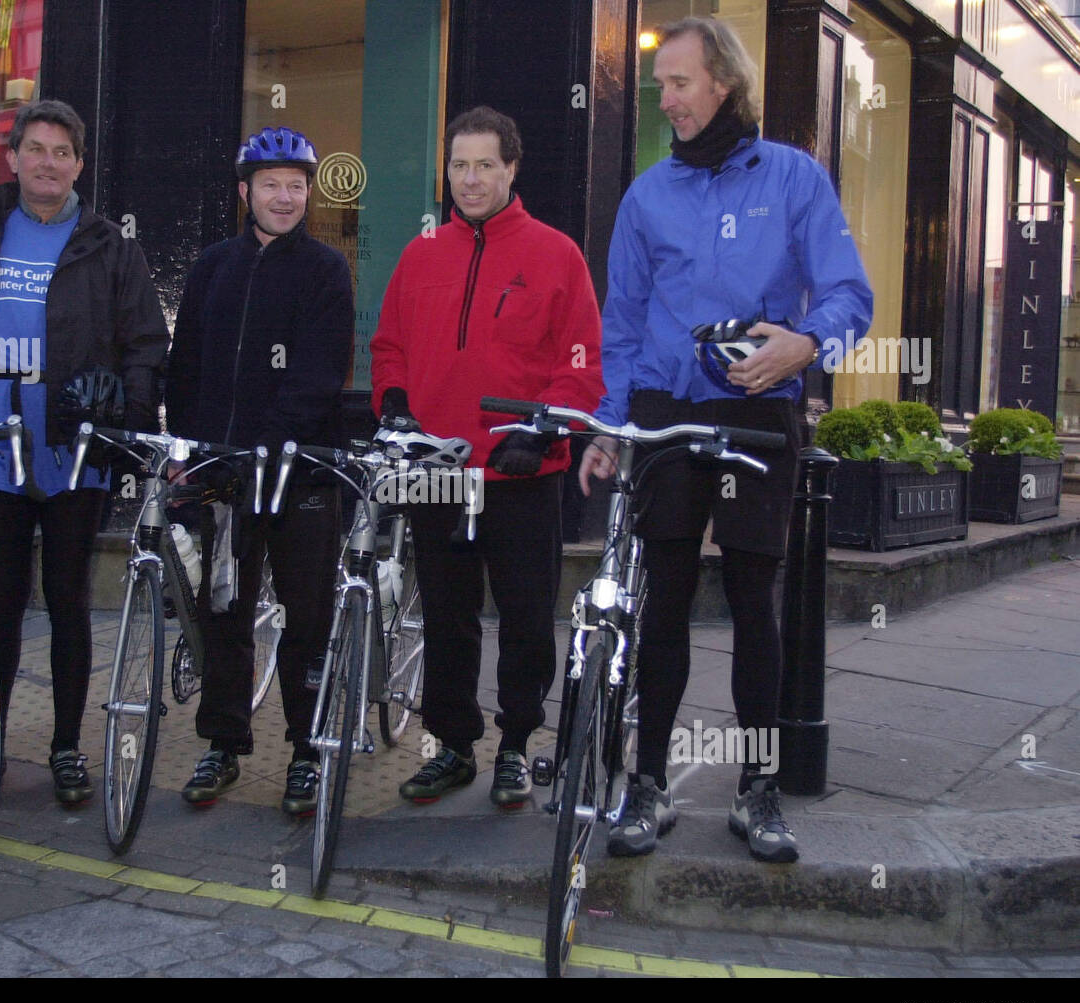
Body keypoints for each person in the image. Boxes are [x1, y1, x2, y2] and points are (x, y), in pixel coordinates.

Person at [580, 17, 872, 861]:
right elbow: (624, 321)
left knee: (756, 606)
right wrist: (614, 424)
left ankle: (759, 789)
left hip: (758, 410)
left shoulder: (794, 177)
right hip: (670, 410)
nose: (664, 98)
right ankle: (646, 786)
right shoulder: (647, 194)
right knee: (661, 602)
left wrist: (804, 344)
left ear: (724, 84)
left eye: (678, 82)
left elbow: (851, 294)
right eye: (660, 84)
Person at [0, 99, 169, 804]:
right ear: (14, 158)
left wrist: (132, 426)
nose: (48, 162)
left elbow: (146, 343)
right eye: (36, 149)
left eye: (63, 152)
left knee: (70, 603)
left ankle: (65, 748)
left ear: (79, 165)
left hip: (72, 457)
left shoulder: (110, 246)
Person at [371, 106, 603, 808]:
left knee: (528, 616)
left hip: (522, 471)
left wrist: (547, 429)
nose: (469, 179)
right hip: (439, 470)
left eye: (484, 165)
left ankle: (516, 744)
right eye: (459, 165)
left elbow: (582, 361)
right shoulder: (421, 254)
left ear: (512, 169)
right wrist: (397, 405)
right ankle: (451, 746)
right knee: (445, 614)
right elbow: (389, 348)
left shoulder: (556, 253)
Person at [165, 126, 350, 815]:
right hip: (221, 470)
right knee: (225, 611)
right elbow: (186, 367)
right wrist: (184, 450)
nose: (284, 197)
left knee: (308, 618)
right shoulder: (213, 265)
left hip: (298, 475)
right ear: (245, 191)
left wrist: (271, 442)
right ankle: (222, 744)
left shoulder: (326, 270)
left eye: (297, 185)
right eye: (271, 184)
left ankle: (307, 750)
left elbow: (319, 374)